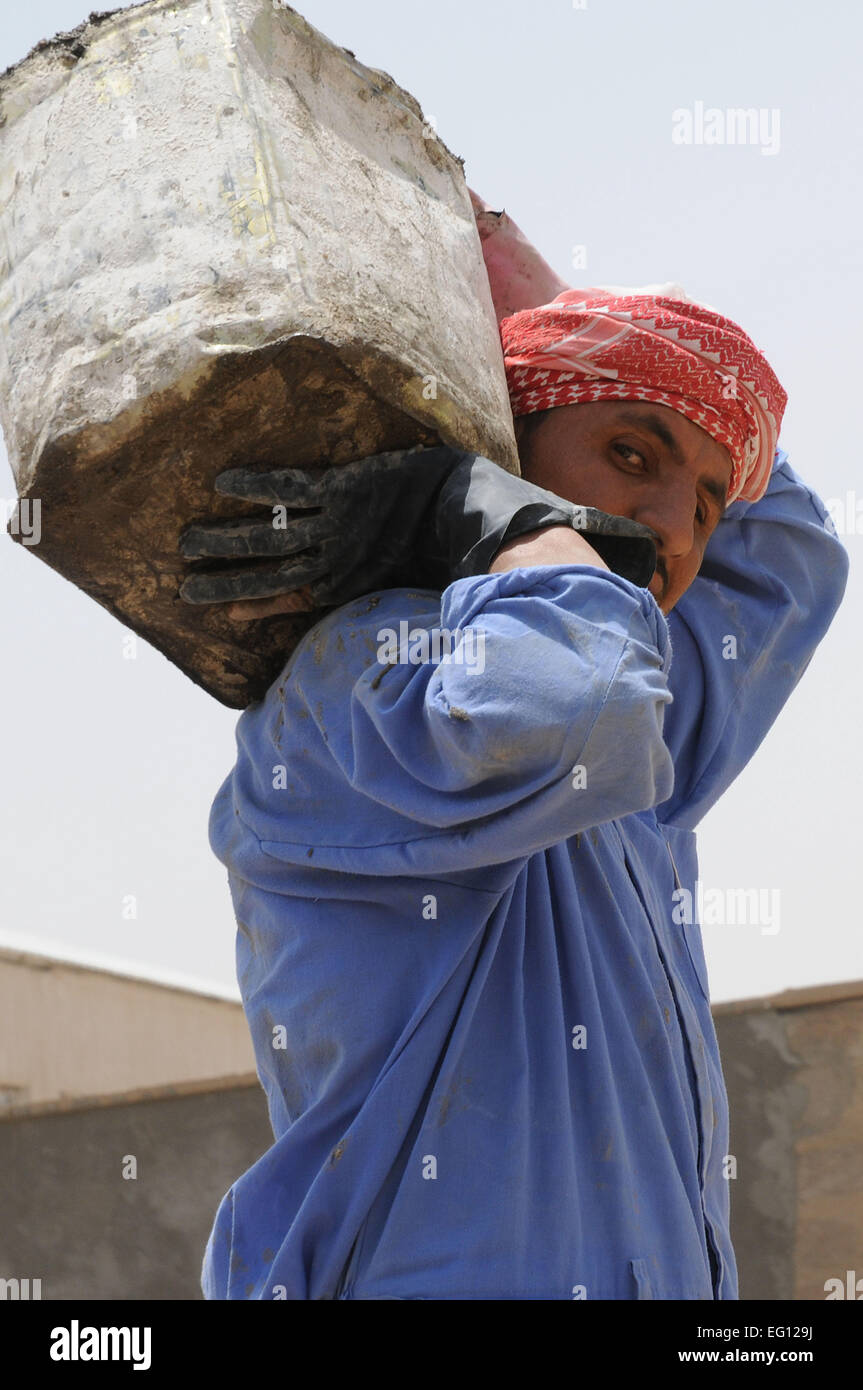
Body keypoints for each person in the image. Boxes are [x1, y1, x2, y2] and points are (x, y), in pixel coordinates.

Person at [179, 287, 848, 1300]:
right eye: (629, 453)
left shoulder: (638, 769)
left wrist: (535, 288)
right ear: (498, 447)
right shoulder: (363, 690)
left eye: (705, 505)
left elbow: (792, 558)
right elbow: (571, 696)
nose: (675, 533)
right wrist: (500, 517)